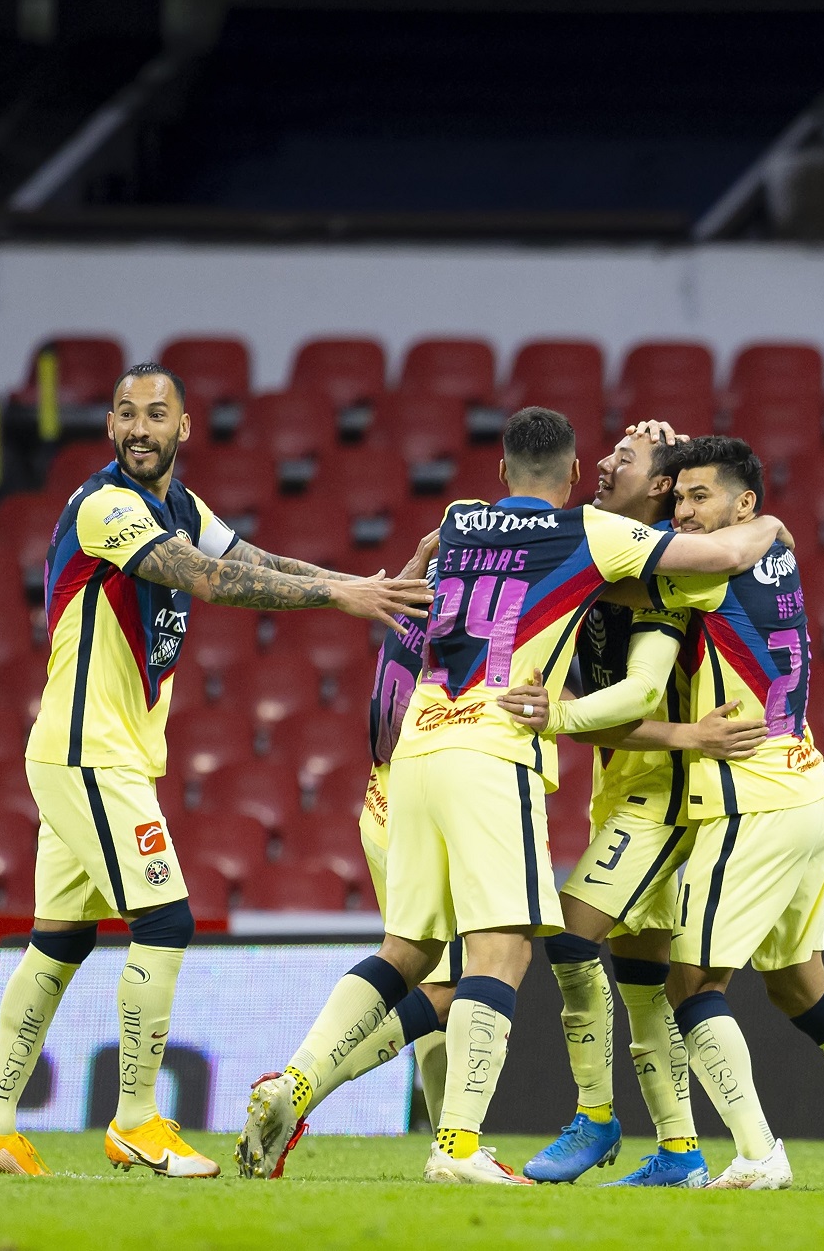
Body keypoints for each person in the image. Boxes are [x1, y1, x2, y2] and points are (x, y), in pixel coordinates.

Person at [239, 407, 784, 1185]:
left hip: (414, 750)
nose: (600, 469)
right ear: (568, 481)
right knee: (503, 950)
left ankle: (293, 1082)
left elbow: (428, 558)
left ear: (501, 475)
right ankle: (462, 1145)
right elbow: (726, 551)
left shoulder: (461, 520)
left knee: (412, 952)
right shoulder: (591, 536)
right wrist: (771, 525)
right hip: (493, 748)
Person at [0, 362, 431, 1180]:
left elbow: (248, 553)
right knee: (166, 922)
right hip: (88, 752)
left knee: (58, 943)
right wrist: (338, 600)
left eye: (157, 415)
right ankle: (136, 1119)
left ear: (183, 428)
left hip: (99, 752)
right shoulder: (107, 506)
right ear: (109, 426)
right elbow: (209, 578)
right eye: (127, 414)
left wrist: (351, 583)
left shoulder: (180, 505)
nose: (140, 428)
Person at [506, 432, 824, 1194]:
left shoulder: (710, 575)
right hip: (810, 790)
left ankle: (757, 1153)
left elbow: (605, 583)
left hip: (748, 799)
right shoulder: (770, 552)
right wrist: (765, 523)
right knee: (797, 983)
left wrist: (552, 708)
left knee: (692, 983)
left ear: (742, 502)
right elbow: (713, 544)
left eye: (700, 498)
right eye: (679, 496)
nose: (685, 513)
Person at [513, 430, 766, 1189]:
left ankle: (594, 1115)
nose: (603, 467)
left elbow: (636, 695)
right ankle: (682, 1150)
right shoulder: (600, 552)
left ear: (658, 492)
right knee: (639, 973)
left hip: (659, 792)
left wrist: (552, 714)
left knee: (568, 933)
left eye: (624, 459)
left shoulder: (665, 577)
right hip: (621, 787)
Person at [235, 533, 459, 1179]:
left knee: (425, 970)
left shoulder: (409, 614)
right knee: (455, 986)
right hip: (433, 807)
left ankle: (450, 1137)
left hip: (383, 804)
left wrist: (415, 561)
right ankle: (299, 1087)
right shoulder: (473, 625)